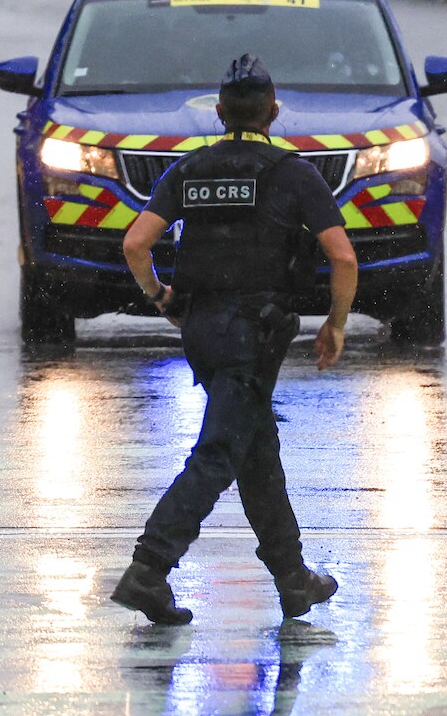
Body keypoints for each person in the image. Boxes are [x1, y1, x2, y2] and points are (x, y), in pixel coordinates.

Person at [112, 54, 357, 625]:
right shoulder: (293, 173)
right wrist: (336, 323)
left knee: (256, 451)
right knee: (220, 453)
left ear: (219, 112)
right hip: (255, 334)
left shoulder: (189, 169)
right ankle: (149, 569)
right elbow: (343, 257)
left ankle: (293, 579)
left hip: (202, 330)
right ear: (274, 111)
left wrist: (160, 297)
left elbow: (135, 244)